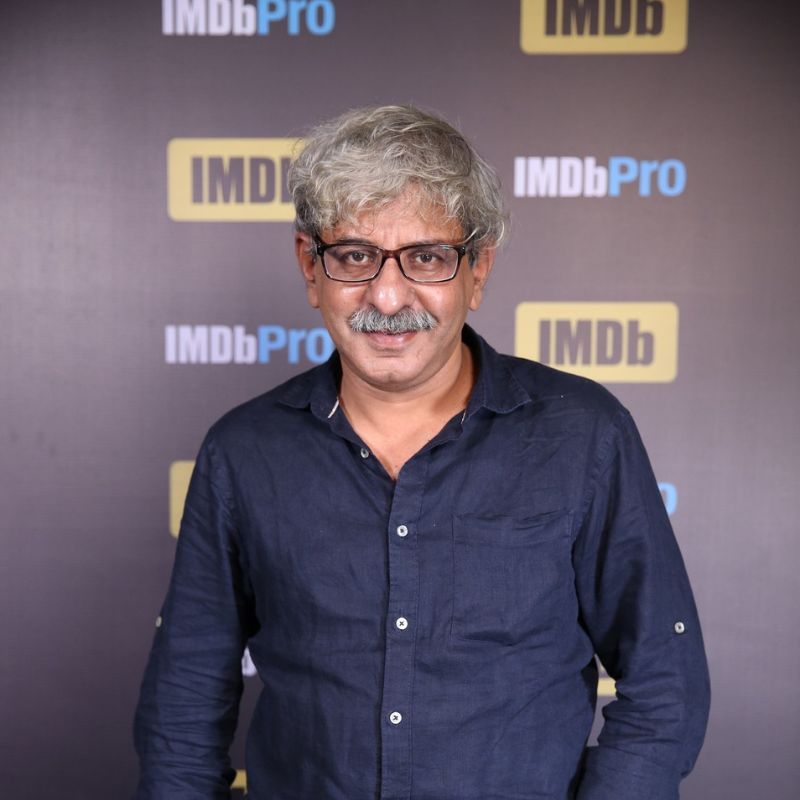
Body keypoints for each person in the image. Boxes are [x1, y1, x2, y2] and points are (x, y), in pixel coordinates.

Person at [134, 105, 710, 799]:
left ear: (478, 270)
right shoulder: (243, 452)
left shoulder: (584, 435)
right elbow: (185, 703)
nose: (386, 295)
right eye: (355, 256)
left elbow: (664, 684)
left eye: (427, 257)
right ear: (310, 267)